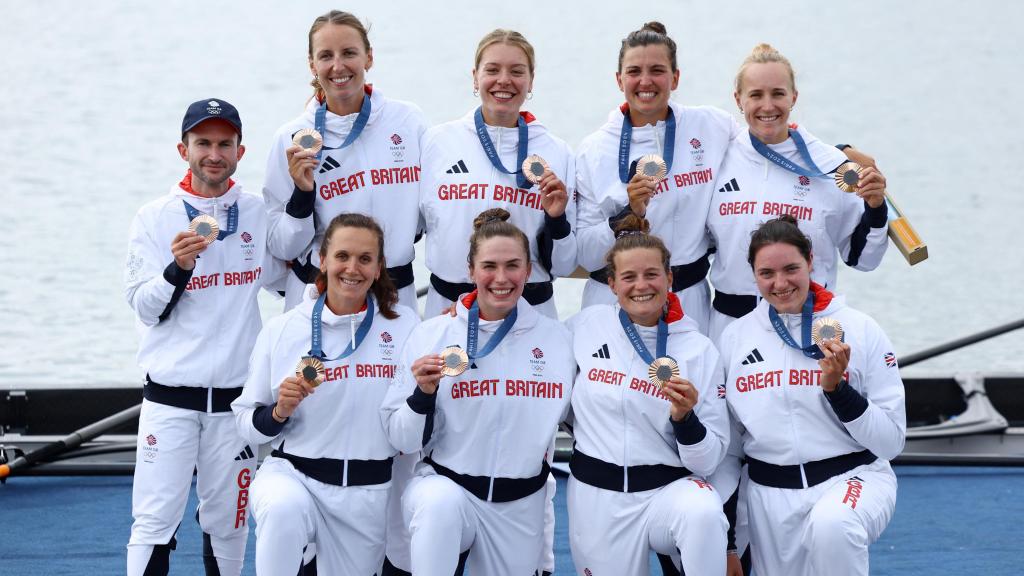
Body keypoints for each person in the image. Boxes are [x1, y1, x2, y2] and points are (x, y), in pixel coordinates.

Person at [124, 98, 282, 575]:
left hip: (233, 404)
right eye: (203, 143)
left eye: (224, 144)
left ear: (240, 151)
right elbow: (144, 307)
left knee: (230, 523)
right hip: (170, 400)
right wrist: (178, 269)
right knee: (154, 521)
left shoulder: (257, 213)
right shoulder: (154, 217)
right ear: (183, 149)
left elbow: (283, 278)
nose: (214, 154)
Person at [381, 209, 575, 576]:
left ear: (529, 271)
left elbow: (588, 414)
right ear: (470, 271)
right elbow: (400, 436)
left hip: (520, 502)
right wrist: (421, 395)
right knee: (438, 504)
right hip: (448, 490)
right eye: (489, 266)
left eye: (512, 265)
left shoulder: (559, 341)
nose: (501, 278)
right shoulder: (433, 334)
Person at [716, 215, 905, 576]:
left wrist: (838, 390)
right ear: (753, 275)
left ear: (811, 262)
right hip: (770, 495)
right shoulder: (735, 338)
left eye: (791, 269)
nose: (780, 283)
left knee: (833, 525)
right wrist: (727, 541)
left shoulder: (860, 328)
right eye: (766, 274)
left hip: (851, 478)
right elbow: (730, 448)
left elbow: (892, 441)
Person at [232, 213, 419, 575]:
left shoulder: (406, 327)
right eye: (342, 256)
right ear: (323, 259)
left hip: (366, 492)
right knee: (282, 511)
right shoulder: (283, 328)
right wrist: (277, 413)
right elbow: (245, 421)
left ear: (379, 268)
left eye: (365, 259)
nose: (352, 268)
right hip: (293, 476)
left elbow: (416, 424)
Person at [566, 215, 730, 575]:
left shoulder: (699, 350)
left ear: (669, 279)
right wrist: (465, 311)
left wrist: (686, 420)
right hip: (599, 494)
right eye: (628, 277)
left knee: (703, 511)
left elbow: (709, 461)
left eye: (652, 274)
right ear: (611, 284)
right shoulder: (584, 328)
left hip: (667, 492)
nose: (641, 285)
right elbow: (526, 344)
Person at [706, 43, 890, 344]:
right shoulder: (719, 159)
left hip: (810, 327)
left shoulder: (832, 164)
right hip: (730, 329)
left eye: (778, 93)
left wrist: (875, 207)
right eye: (756, 95)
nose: (768, 106)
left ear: (794, 97)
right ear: (738, 100)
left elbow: (863, 259)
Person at [575, 22, 737, 335]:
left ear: (675, 77)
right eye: (634, 71)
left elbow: (768, 147)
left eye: (657, 70)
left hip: (688, 300)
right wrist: (629, 214)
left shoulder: (713, 127)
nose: (645, 81)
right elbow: (584, 253)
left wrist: (842, 153)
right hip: (613, 304)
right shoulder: (594, 149)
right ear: (619, 78)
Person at [263, 10, 427, 312]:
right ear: (313, 65)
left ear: (369, 57)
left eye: (349, 53)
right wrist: (302, 195)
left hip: (394, 294)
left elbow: (432, 213)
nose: (338, 66)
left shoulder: (408, 122)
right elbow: (281, 246)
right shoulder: (291, 138)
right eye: (326, 56)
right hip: (321, 296)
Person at [419, 29, 575, 319]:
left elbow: (564, 263)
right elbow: (409, 230)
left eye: (517, 71)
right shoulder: (437, 142)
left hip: (530, 312)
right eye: (492, 70)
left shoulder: (558, 152)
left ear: (531, 80)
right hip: (449, 310)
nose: (504, 80)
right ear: (475, 76)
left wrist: (557, 220)